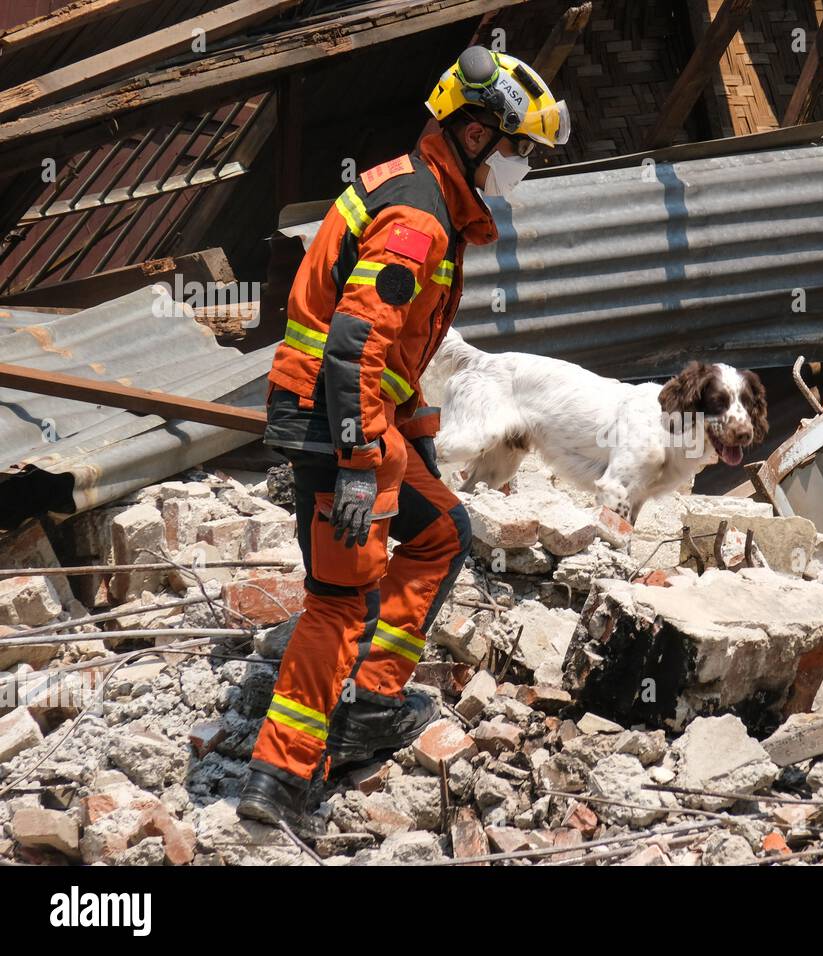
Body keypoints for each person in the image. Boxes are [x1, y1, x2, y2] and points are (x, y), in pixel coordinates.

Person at [237, 46, 570, 833]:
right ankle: (278, 779)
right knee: (339, 601)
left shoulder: (423, 193)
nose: (521, 167)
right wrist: (359, 465)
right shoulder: (419, 217)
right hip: (334, 427)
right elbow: (354, 340)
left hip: (350, 420)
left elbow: (392, 353)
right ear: (478, 134)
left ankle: (373, 706)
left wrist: (410, 434)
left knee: (440, 533)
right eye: (520, 149)